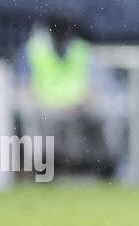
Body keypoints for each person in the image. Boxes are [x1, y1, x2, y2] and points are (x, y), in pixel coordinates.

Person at [15, 15, 123, 177]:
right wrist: (45, 102)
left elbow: (99, 84)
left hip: (79, 106)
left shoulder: (81, 51)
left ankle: (106, 164)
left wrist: (86, 100)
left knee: (107, 115)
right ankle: (41, 167)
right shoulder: (33, 51)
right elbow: (24, 87)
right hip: (45, 106)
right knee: (34, 117)